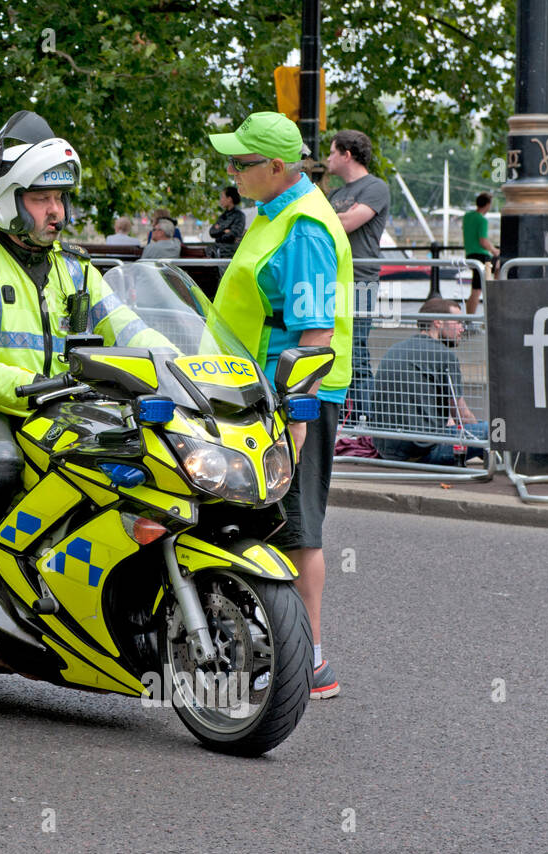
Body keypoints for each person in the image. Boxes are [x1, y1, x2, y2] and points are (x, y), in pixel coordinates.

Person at [0, 112, 169, 644]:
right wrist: (29, 384)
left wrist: (178, 367)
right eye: (41, 198)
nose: (56, 211)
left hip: (62, 406)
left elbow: (128, 326)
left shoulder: (75, 268)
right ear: (9, 200)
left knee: (138, 460)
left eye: (59, 199)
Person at [208, 111, 353, 701]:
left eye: (242, 163)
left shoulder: (305, 227)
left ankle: (309, 662)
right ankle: (275, 648)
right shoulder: (277, 213)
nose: (231, 170)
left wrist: (294, 421)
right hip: (258, 392)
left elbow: (314, 335)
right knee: (266, 520)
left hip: (292, 398)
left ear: (276, 166)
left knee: (296, 528)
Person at [369, 297, 486, 465]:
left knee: (475, 429)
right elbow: (463, 416)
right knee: (496, 429)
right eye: (458, 322)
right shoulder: (445, 356)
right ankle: (502, 462)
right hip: (422, 451)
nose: (462, 328)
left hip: (388, 450)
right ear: (438, 322)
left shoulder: (395, 349)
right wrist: (485, 443)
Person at [326, 129, 390, 422]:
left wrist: (334, 218)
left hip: (360, 278)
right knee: (332, 346)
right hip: (331, 278)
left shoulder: (375, 187)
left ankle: (366, 419)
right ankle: (344, 417)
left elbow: (347, 223)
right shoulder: (336, 194)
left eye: (331, 152)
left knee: (357, 350)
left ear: (346, 155)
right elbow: (323, 223)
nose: (327, 158)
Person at [462, 193, 498, 315]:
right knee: (478, 289)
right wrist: (494, 250)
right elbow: (483, 241)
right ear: (487, 205)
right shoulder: (482, 220)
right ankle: (497, 289)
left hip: (470, 255)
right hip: (482, 257)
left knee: (476, 289)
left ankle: (470, 319)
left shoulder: (467, 216)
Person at [208, 186, 246, 258]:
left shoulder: (239, 216)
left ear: (229, 199)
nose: (221, 200)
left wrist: (219, 232)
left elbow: (233, 235)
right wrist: (224, 231)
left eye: (222, 197)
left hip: (230, 255)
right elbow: (212, 232)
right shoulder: (222, 216)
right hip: (217, 253)